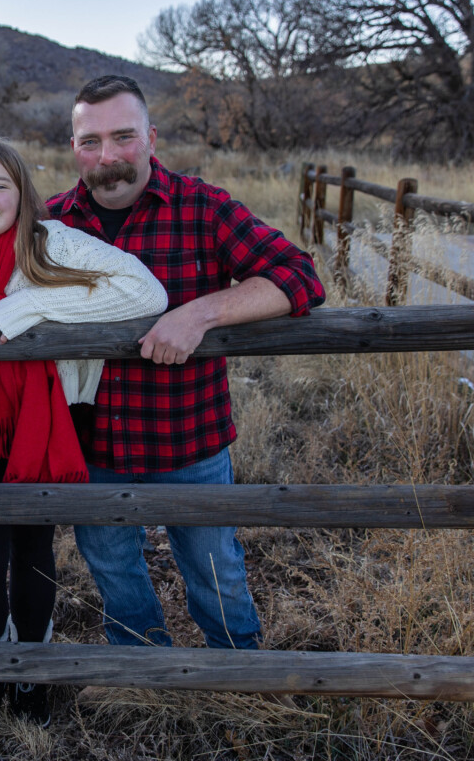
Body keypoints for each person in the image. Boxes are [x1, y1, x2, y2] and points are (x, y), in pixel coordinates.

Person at [45, 75, 326, 653]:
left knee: (215, 570)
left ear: (151, 138)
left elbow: (298, 275)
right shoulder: (50, 225)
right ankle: (143, 672)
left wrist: (200, 313)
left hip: (189, 437)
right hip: (92, 443)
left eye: (123, 137)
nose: (107, 155)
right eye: (91, 141)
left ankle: (237, 672)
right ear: (74, 147)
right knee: (112, 568)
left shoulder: (203, 208)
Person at [0, 139, 168, 743]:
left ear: (22, 194)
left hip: (38, 422)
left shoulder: (50, 242)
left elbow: (147, 292)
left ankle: (31, 676)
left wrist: (26, 306)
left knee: (33, 553)